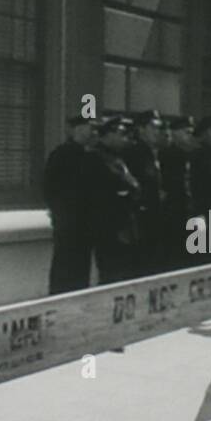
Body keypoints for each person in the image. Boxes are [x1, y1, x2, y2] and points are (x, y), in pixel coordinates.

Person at [42, 116, 97, 294]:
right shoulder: (61, 154)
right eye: (87, 128)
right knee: (65, 265)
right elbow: (49, 187)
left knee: (81, 267)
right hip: (67, 221)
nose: (91, 132)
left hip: (84, 222)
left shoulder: (87, 155)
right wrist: (60, 213)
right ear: (76, 130)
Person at [84, 116, 141, 284]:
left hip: (125, 226)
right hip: (109, 227)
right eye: (121, 133)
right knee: (112, 274)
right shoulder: (95, 158)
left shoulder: (117, 158)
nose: (126, 138)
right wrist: (128, 191)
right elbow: (105, 192)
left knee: (126, 273)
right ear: (108, 134)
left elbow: (133, 186)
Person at [124, 109, 167, 276]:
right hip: (141, 220)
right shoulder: (133, 153)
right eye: (153, 127)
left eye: (158, 128)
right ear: (141, 129)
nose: (157, 131)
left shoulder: (152, 153)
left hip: (155, 218)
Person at [159, 115, 197, 271]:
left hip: (187, 212)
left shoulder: (189, 154)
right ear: (174, 133)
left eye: (191, 133)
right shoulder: (167, 154)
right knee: (175, 259)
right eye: (186, 132)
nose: (190, 136)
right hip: (173, 213)